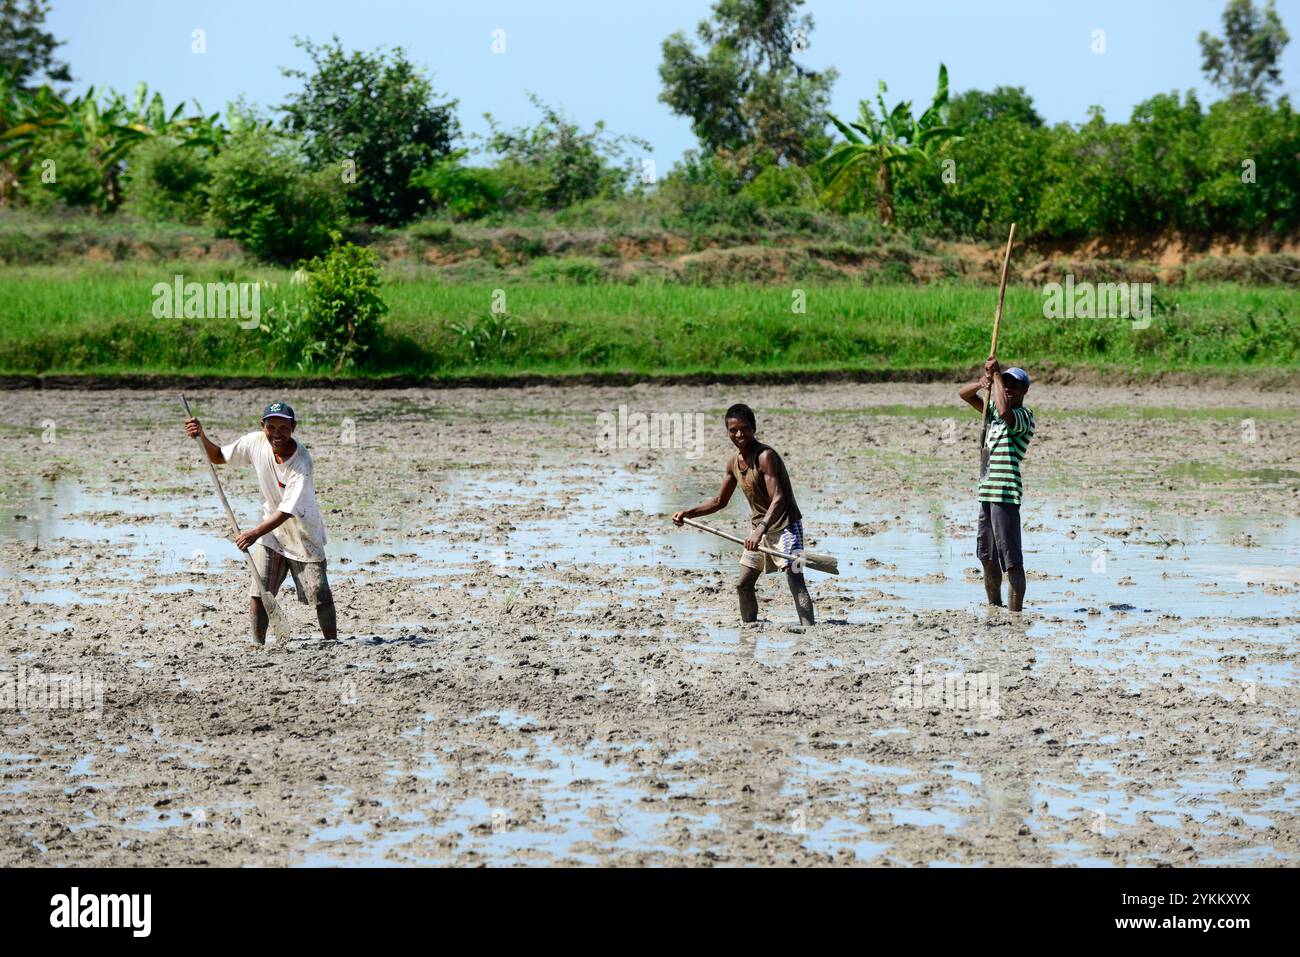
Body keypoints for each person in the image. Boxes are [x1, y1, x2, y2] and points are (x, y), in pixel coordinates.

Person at [184, 401, 336, 644]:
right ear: (263, 426)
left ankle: (332, 642)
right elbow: (219, 456)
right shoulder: (254, 442)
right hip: (271, 534)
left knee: (319, 594)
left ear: (293, 427)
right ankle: (257, 644)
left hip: (303, 533)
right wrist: (201, 436)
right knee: (259, 593)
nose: (277, 434)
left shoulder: (302, 462)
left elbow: (287, 510)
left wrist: (253, 533)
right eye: (271, 427)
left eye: (283, 428)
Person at [673, 403, 815, 626]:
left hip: (786, 526)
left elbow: (778, 499)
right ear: (728, 432)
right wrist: (688, 512)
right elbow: (720, 501)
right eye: (733, 430)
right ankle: (749, 629)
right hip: (759, 529)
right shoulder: (733, 463)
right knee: (743, 584)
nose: (739, 434)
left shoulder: (765, 457)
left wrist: (760, 531)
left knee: (795, 579)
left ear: (753, 428)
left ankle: (810, 632)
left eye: (744, 429)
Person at [958, 361, 1036, 612]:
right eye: (1007, 383)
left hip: (1005, 493)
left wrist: (998, 376)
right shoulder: (991, 412)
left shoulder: (1023, 417)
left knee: (1011, 561)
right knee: (987, 557)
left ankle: (1015, 615)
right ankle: (994, 608)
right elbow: (964, 395)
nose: (1010, 388)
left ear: (1025, 391)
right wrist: (982, 384)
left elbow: (1005, 412)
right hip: (986, 493)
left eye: (1015, 385)